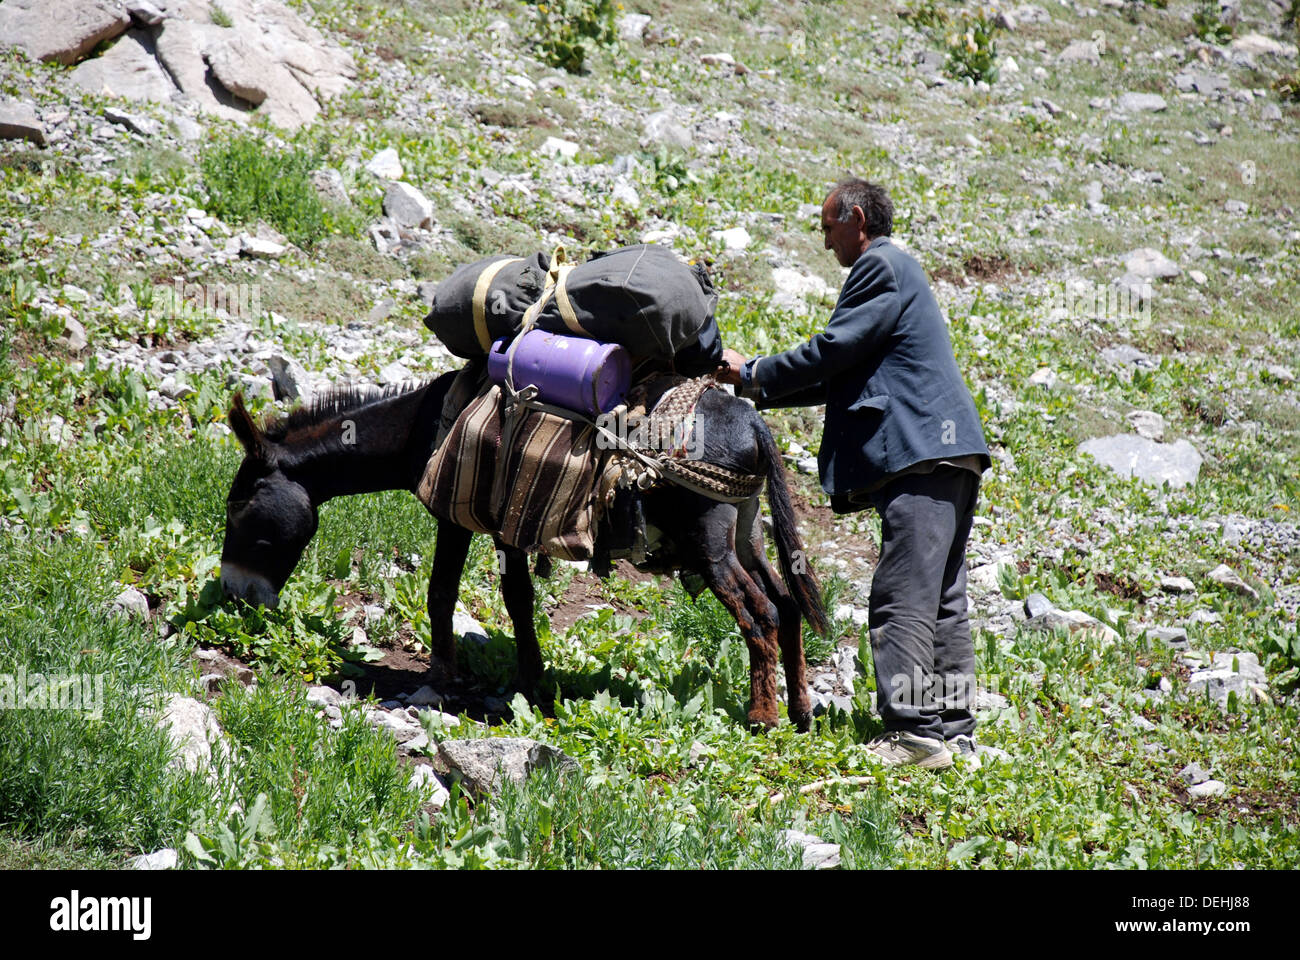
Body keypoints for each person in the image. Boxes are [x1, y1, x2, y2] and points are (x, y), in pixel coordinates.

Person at [717, 178, 991, 770]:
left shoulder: (879, 269)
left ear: (857, 218)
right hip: (949, 454)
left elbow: (833, 350)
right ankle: (952, 730)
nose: (825, 243)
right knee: (941, 599)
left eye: (827, 228)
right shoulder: (896, 276)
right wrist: (756, 387)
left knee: (901, 597)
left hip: (921, 453)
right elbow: (837, 375)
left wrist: (752, 370)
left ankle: (914, 734)